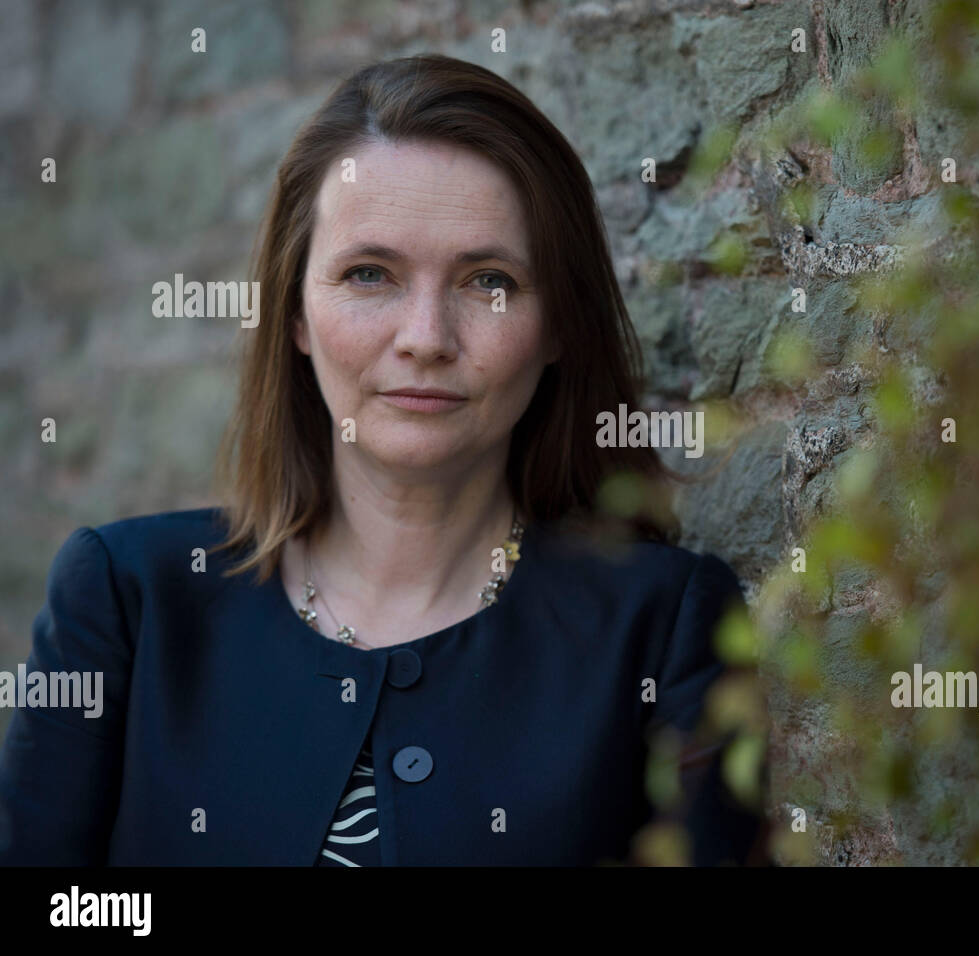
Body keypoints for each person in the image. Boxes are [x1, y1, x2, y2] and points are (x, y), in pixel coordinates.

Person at [0, 54, 769, 866]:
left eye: (489, 281)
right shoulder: (127, 601)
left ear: (558, 327)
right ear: (295, 313)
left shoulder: (664, 627)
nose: (426, 338)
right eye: (370, 274)